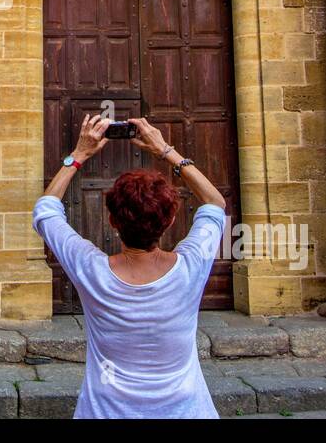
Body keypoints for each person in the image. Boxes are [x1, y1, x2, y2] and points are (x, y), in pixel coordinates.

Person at [33, 115, 227, 418]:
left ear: (112, 222)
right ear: (171, 220)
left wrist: (79, 155)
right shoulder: (191, 265)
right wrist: (165, 150)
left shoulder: (92, 271)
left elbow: (46, 211)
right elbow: (214, 202)